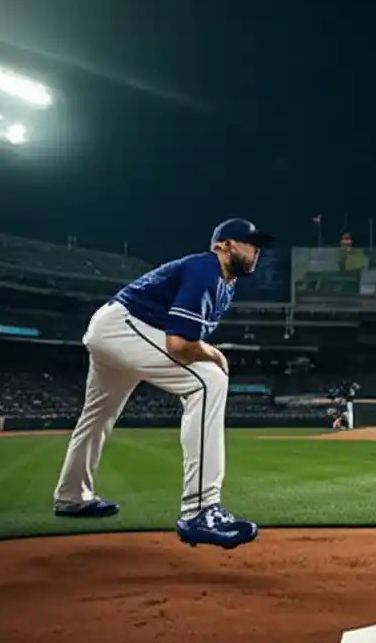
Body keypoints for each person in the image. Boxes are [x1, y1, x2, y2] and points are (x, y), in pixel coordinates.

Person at [52, 218, 274, 550]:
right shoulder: (206, 268)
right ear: (223, 246)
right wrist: (213, 353)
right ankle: (200, 509)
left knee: (97, 416)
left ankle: (71, 496)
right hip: (125, 327)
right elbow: (179, 345)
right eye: (249, 243)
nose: (256, 251)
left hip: (117, 327)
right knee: (208, 380)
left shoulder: (225, 284)